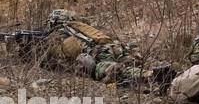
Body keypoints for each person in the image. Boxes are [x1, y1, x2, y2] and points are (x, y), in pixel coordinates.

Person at [39, 10, 170, 87]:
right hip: (116, 47)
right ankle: (166, 71)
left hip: (99, 53)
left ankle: (152, 76)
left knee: (110, 70)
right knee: (134, 62)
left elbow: (48, 60)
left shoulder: (58, 34)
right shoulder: (81, 26)